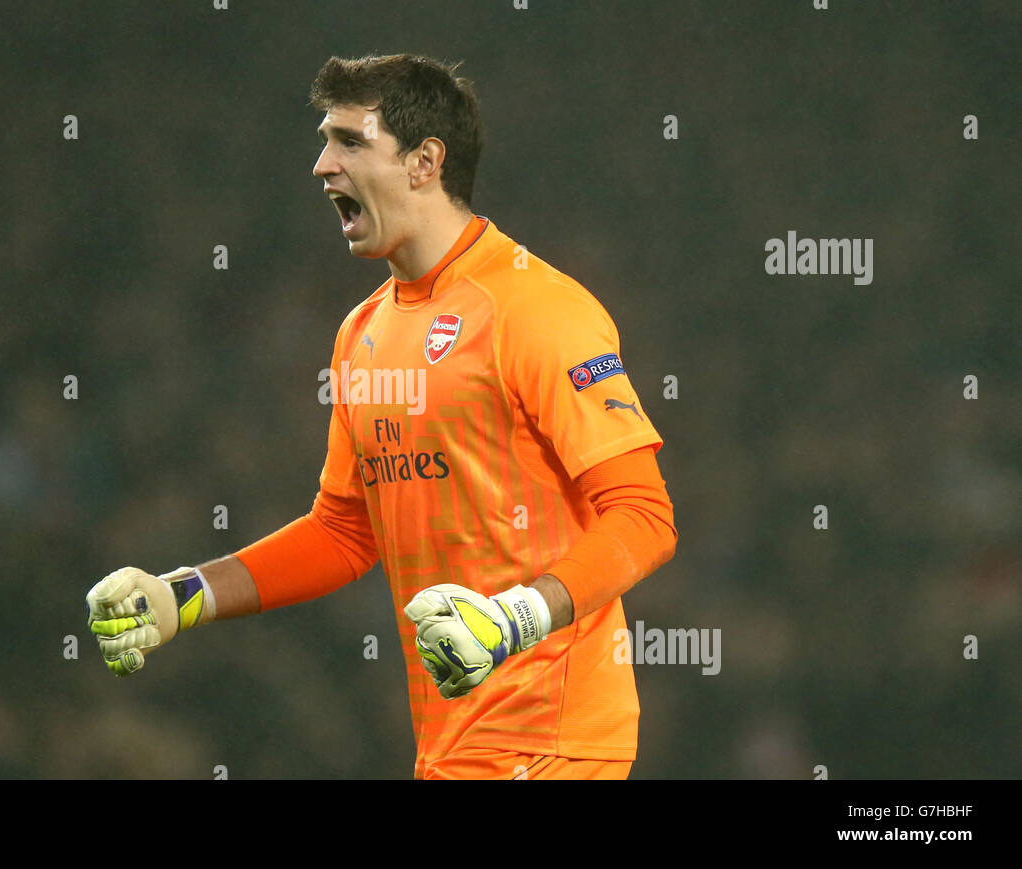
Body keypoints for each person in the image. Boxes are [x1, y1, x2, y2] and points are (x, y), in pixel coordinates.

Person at [85, 53, 677, 780]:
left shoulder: (535, 308)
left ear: (426, 161)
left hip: (548, 740)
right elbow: (343, 530)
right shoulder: (361, 334)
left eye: (349, 142)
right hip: (451, 744)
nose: (321, 165)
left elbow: (644, 515)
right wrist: (185, 593)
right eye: (325, 141)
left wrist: (513, 618)